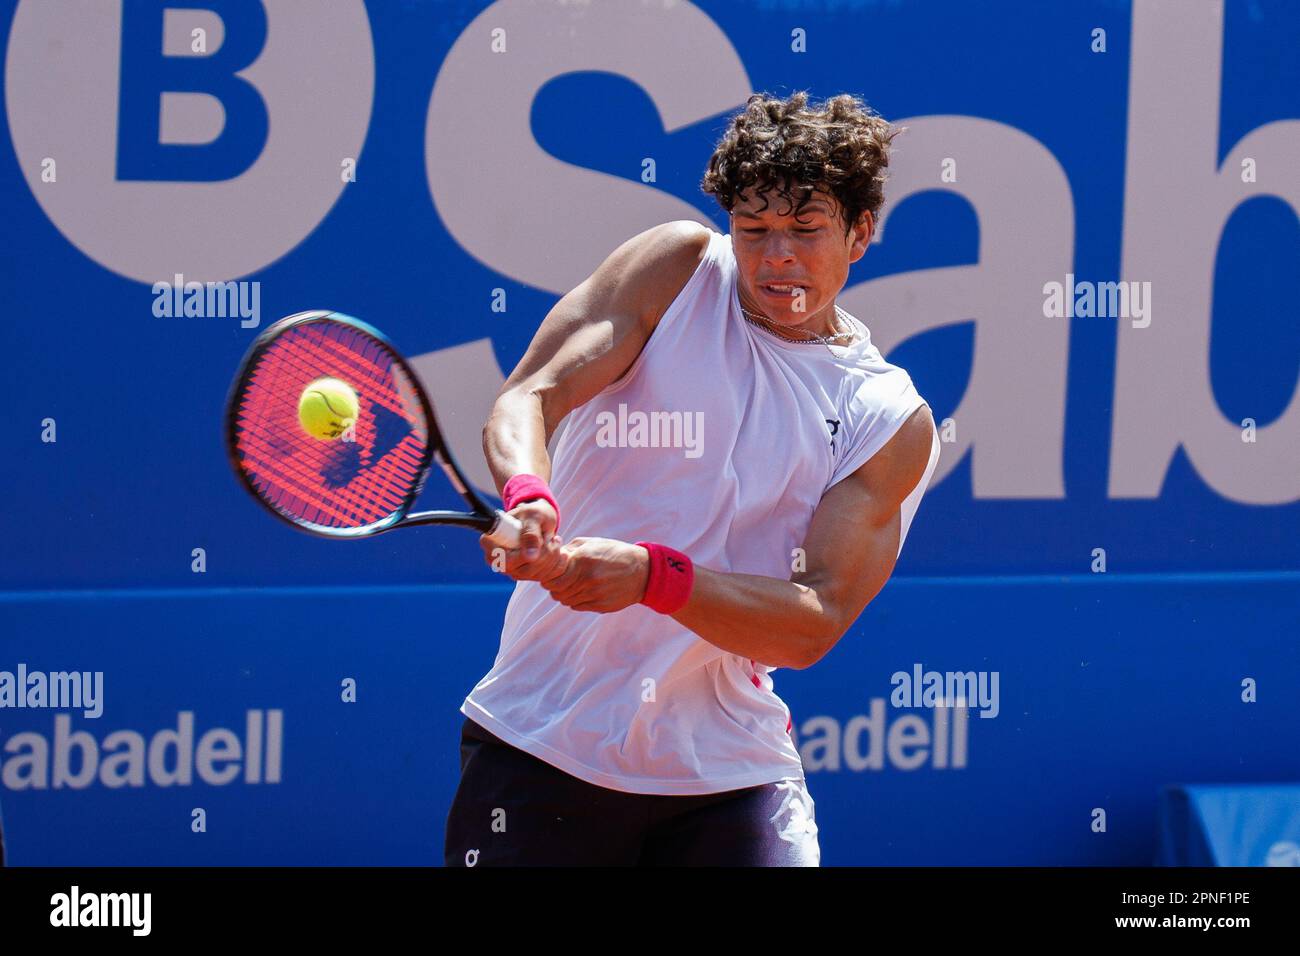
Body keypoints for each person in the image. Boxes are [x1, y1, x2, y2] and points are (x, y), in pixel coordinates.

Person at [444, 91, 940, 866]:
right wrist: (530, 497)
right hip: (541, 742)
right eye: (754, 230)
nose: (776, 256)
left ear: (861, 233)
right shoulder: (675, 270)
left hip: (731, 776)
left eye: (805, 231)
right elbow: (531, 396)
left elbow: (814, 620)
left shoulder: (886, 416)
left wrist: (652, 578)